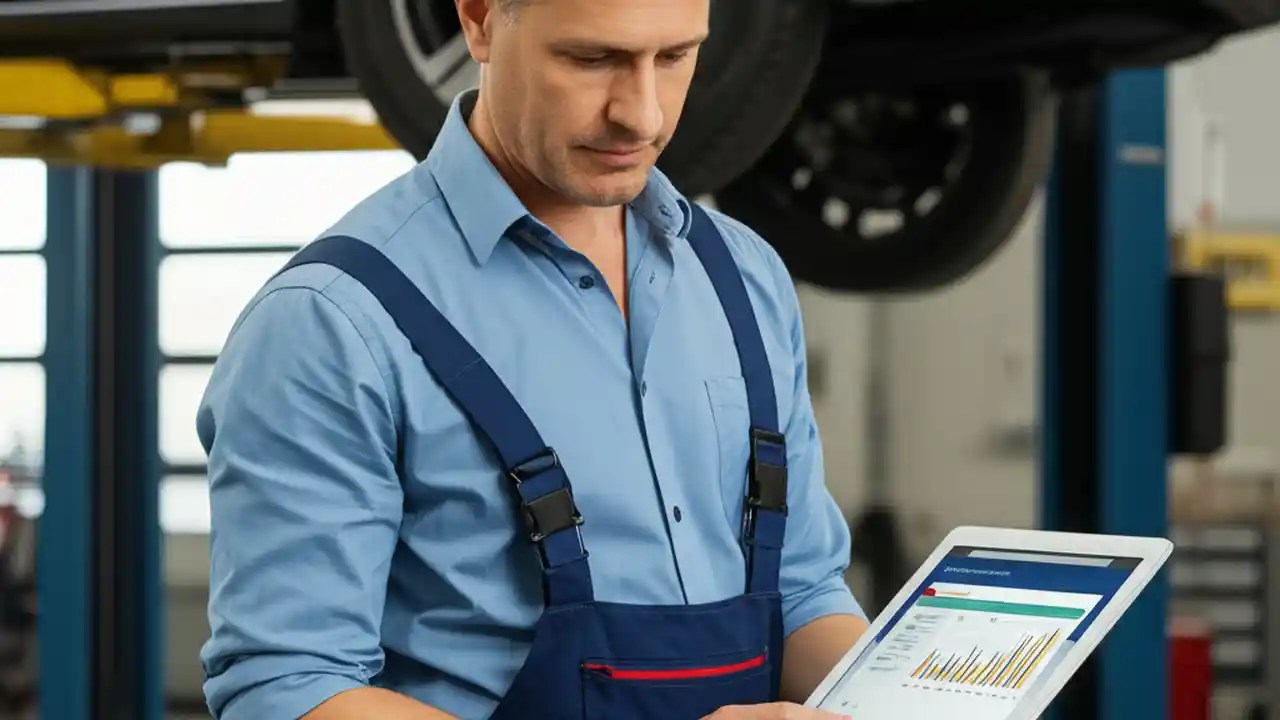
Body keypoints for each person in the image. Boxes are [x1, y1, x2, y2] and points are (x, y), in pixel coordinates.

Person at [197, 0, 869, 717]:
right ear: (479, 19)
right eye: (592, 59)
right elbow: (289, 686)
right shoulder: (331, 321)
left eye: (674, 56)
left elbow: (802, 591)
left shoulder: (743, 274)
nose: (641, 115)